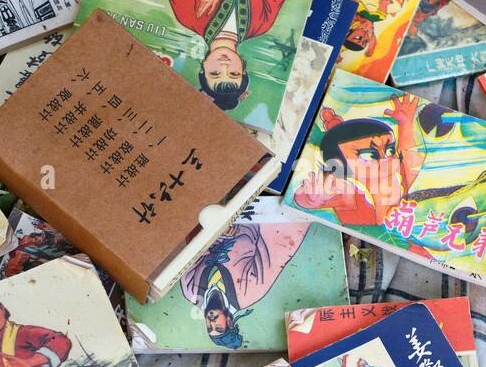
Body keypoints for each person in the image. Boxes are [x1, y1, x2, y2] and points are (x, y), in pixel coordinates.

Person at [110, 0, 291, 111]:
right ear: (243, 68)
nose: (224, 65)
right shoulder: (262, 24)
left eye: (215, 72)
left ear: (203, 67)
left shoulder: (190, 16)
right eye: (234, 74)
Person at [290, 98, 422, 228]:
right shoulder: (350, 191)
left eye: (390, 150)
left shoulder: (400, 174)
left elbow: (409, 153)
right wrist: (312, 200)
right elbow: (300, 198)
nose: (384, 159)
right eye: (370, 155)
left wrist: (405, 124)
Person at [178, 222, 308, 349]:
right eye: (218, 327)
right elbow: (274, 249)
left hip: (210, 221)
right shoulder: (249, 293)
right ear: (229, 321)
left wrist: (216, 234)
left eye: (209, 327)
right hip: (249, 220)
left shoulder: (190, 291)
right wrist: (239, 228)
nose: (212, 322)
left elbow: (190, 252)